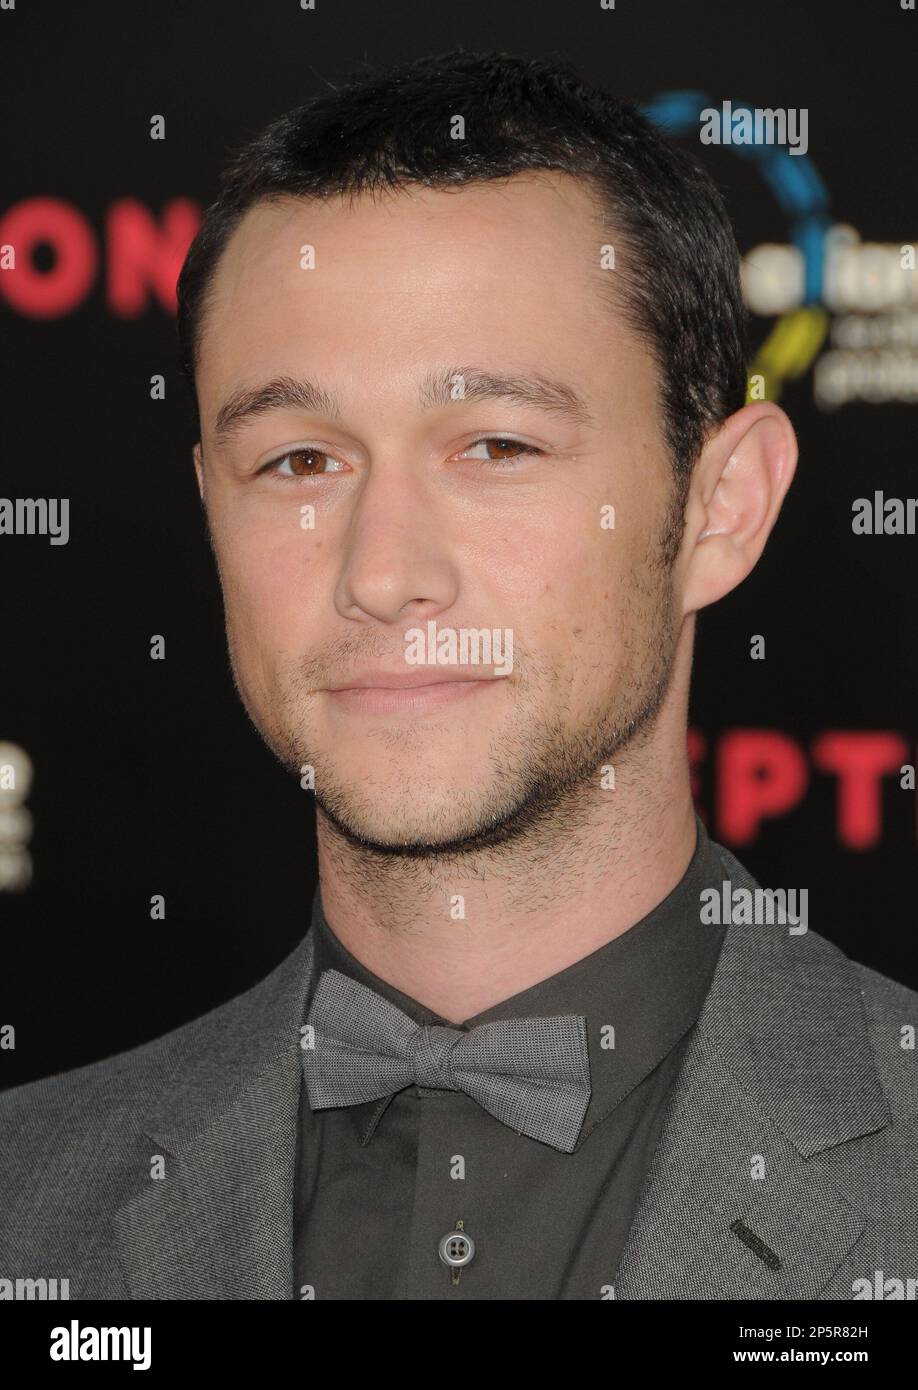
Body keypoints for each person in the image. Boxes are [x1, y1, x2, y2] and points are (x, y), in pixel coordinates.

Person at [2, 49, 915, 1302]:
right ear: (209, 509)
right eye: (300, 462)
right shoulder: (24, 1196)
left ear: (720, 508)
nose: (383, 570)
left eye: (495, 444)